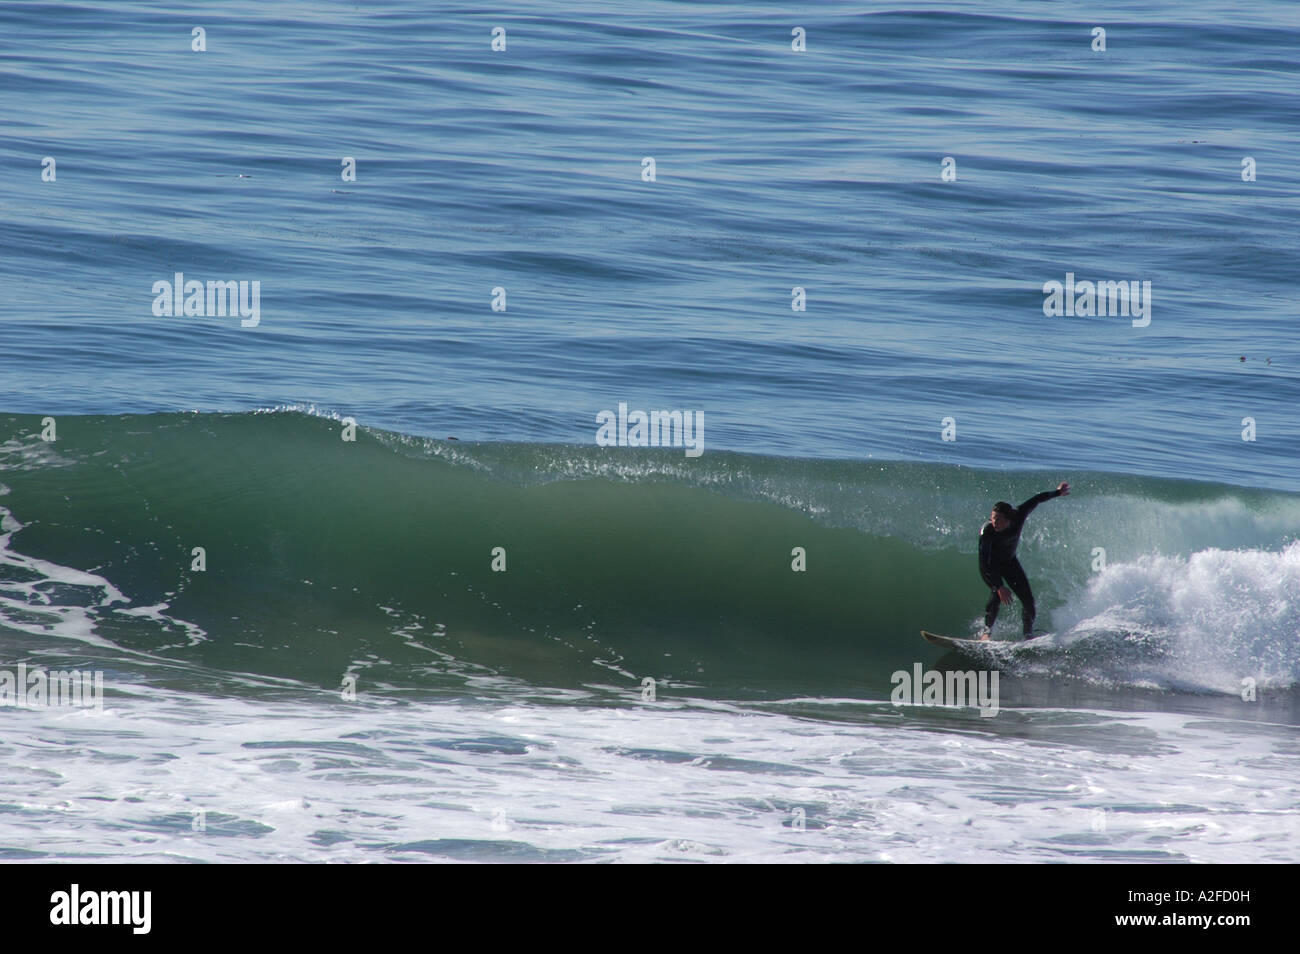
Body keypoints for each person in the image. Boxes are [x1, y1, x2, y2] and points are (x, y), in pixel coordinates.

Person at [978, 482, 1069, 640]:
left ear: (1009, 518)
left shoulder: (1019, 515)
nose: (995, 523)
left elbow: (1036, 499)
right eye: (993, 519)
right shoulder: (987, 532)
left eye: (999, 520)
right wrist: (999, 586)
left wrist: (1057, 492)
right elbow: (984, 564)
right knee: (995, 595)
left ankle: (1028, 635)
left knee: (1028, 601)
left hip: (1010, 562)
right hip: (992, 567)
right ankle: (986, 633)